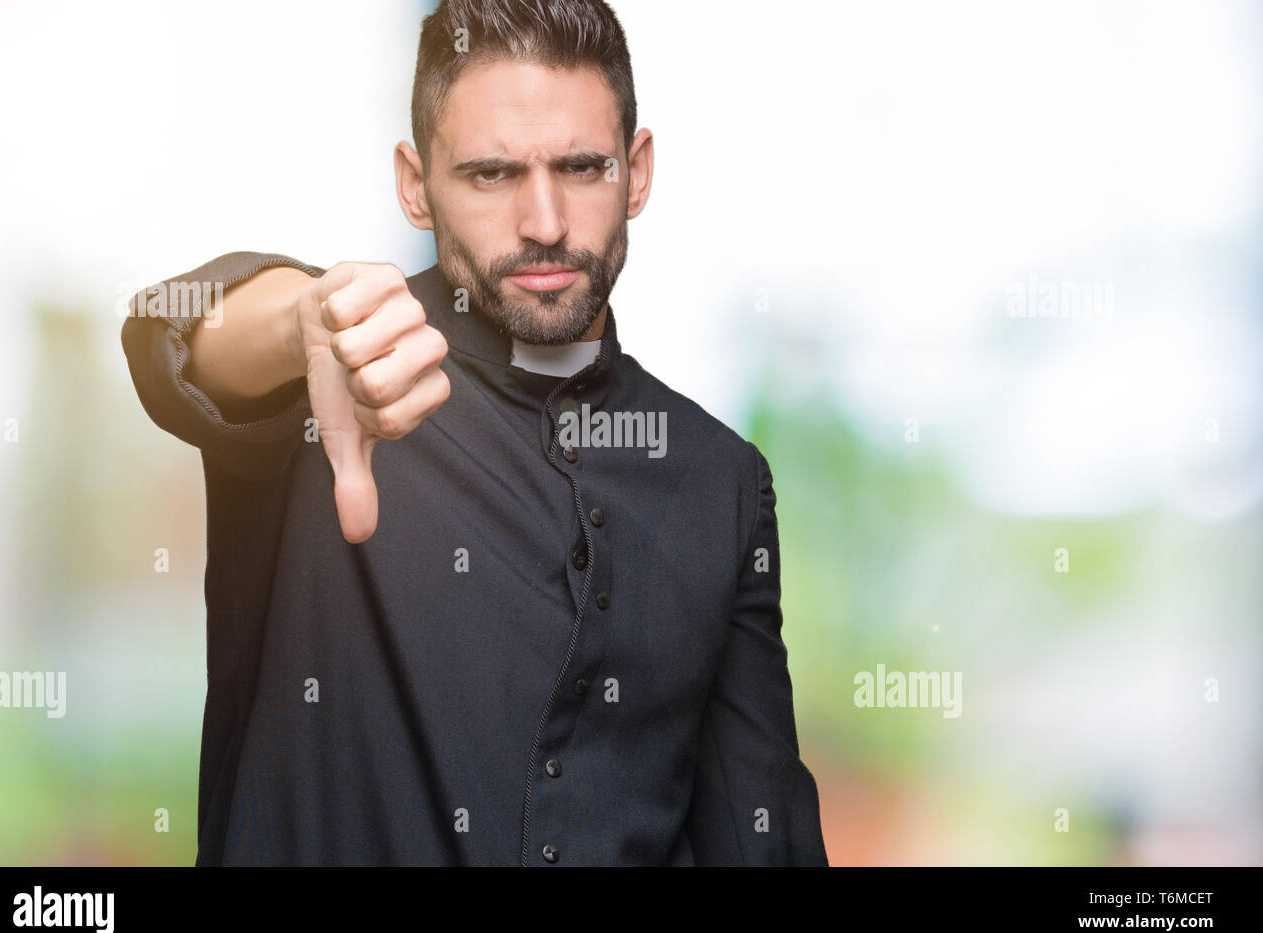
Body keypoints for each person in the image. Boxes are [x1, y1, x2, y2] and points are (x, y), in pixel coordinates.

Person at [121, 0, 828, 866]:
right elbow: (171, 341)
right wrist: (296, 318)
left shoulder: (720, 479)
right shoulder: (339, 371)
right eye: (491, 174)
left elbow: (763, 837)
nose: (543, 222)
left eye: (580, 167)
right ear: (416, 186)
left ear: (637, 172)